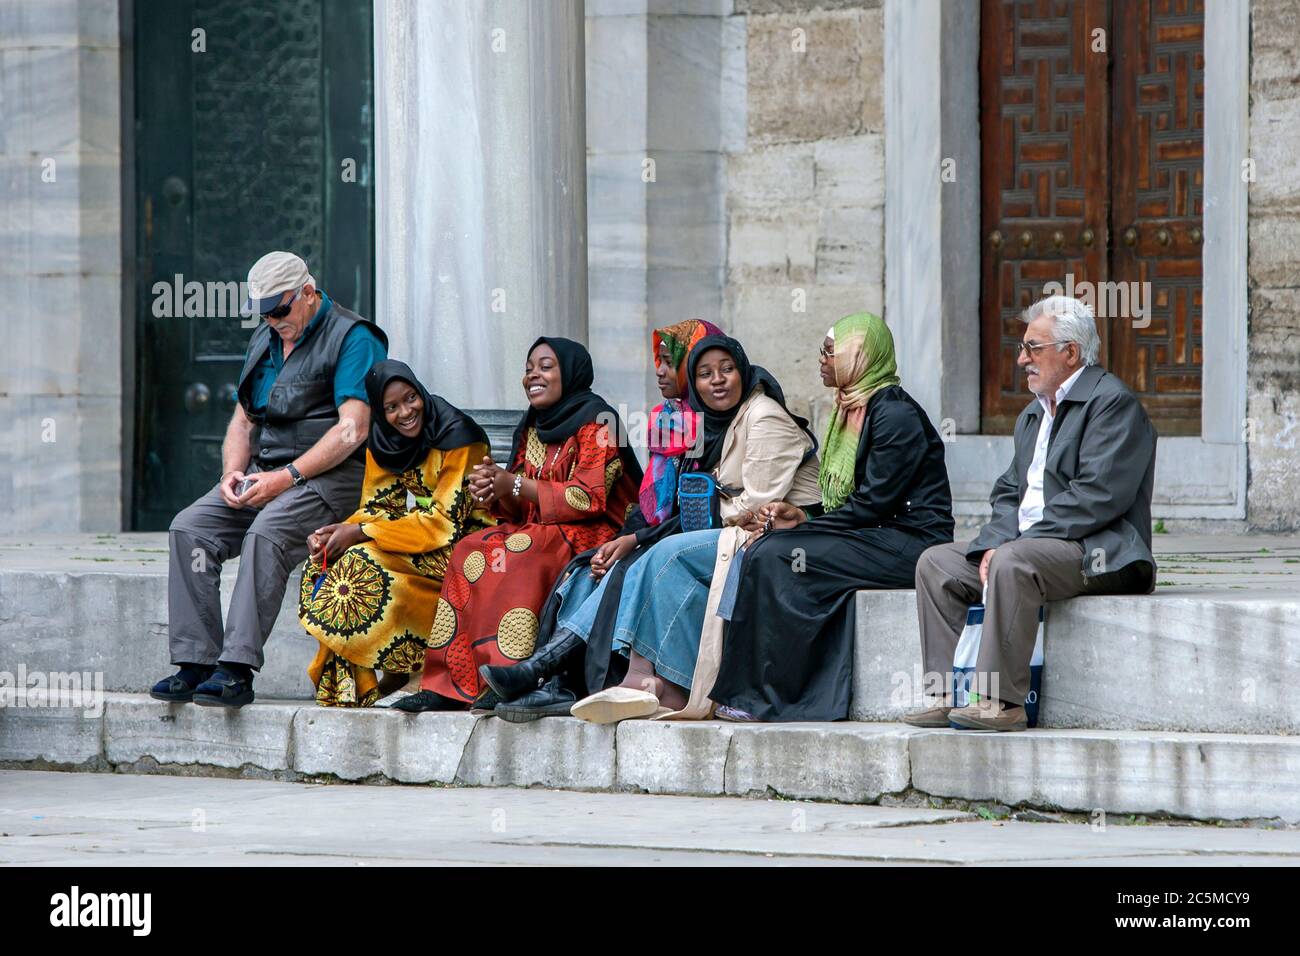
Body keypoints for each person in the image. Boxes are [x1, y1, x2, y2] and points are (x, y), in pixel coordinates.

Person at [905, 295, 1157, 732]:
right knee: (937, 563)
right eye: (1022, 348)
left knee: (1012, 561)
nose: (1022, 359)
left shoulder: (1113, 403)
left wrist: (1015, 544)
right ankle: (947, 693)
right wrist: (995, 542)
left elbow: (1098, 494)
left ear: (1070, 352)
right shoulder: (1032, 415)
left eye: (1033, 348)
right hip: (1030, 548)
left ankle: (1001, 702)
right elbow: (1007, 494)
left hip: (1101, 551)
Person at [150, 251, 387, 709]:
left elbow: (352, 429)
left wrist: (288, 476)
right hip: (269, 472)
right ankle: (196, 662)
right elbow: (243, 421)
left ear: (308, 293)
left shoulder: (354, 337)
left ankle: (236, 669)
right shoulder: (266, 337)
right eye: (263, 313)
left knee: (267, 534)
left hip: (333, 478)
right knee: (190, 528)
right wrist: (232, 473)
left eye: (280, 310)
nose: (273, 320)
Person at [564, 334, 823, 724]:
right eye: (704, 374)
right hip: (736, 531)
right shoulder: (706, 424)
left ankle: (634, 679)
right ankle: (665, 686)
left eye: (726, 370)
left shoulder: (763, 415)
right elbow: (674, 506)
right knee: (620, 562)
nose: (717, 380)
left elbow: (755, 504)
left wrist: (683, 522)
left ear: (743, 371)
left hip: (782, 534)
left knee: (663, 555)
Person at [709, 312, 954, 721]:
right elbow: (849, 503)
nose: (821, 360)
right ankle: (751, 692)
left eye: (830, 351)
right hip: (873, 533)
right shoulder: (853, 408)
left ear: (858, 357)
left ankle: (778, 697)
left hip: (909, 542)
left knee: (778, 555)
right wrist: (800, 513)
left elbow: (875, 502)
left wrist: (805, 524)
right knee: (767, 547)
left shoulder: (894, 415)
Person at [478, 318, 723, 721]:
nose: (659, 372)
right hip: (643, 535)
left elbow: (594, 500)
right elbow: (650, 501)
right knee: (570, 566)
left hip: (681, 538)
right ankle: (534, 682)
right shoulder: (671, 419)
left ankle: (543, 673)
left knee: (560, 556)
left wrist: (630, 539)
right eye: (657, 361)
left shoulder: (708, 422)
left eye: (669, 363)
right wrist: (501, 490)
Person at [393, 337, 642, 712]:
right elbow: (518, 504)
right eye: (528, 369)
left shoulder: (600, 421)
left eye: (545, 366)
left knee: (520, 554)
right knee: (469, 548)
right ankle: (449, 683)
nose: (533, 376)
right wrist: (492, 490)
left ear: (570, 373)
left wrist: (513, 484)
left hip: (597, 533)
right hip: (543, 529)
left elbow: (587, 497)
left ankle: (511, 676)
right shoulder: (534, 424)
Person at [296, 360, 492, 706]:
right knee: (327, 560)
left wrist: (361, 532)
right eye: (391, 407)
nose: (406, 412)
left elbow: (444, 521)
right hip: (421, 535)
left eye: (411, 398)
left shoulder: (459, 435)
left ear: (421, 392)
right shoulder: (384, 442)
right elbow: (377, 506)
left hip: (469, 541)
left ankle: (394, 671)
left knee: (359, 563)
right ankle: (362, 684)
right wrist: (336, 533)